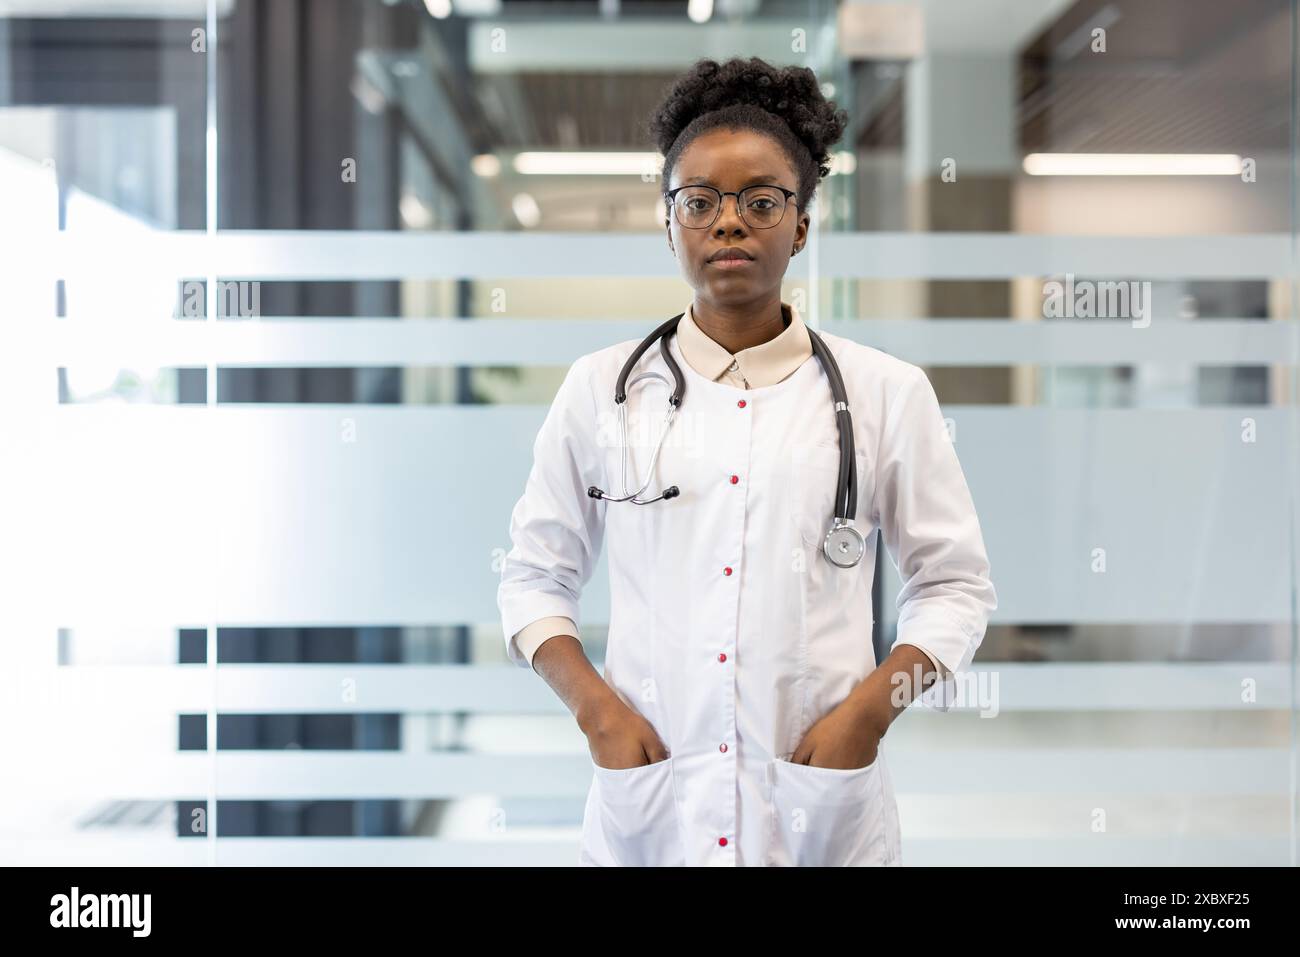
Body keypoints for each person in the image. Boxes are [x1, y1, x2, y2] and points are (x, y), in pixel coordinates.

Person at [497, 56, 997, 866]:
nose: (729, 222)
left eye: (762, 200)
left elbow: (955, 585)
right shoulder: (600, 390)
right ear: (669, 223)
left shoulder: (886, 393)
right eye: (699, 202)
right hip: (652, 800)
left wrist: (868, 714)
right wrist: (597, 713)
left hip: (820, 799)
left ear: (801, 224)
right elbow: (532, 579)